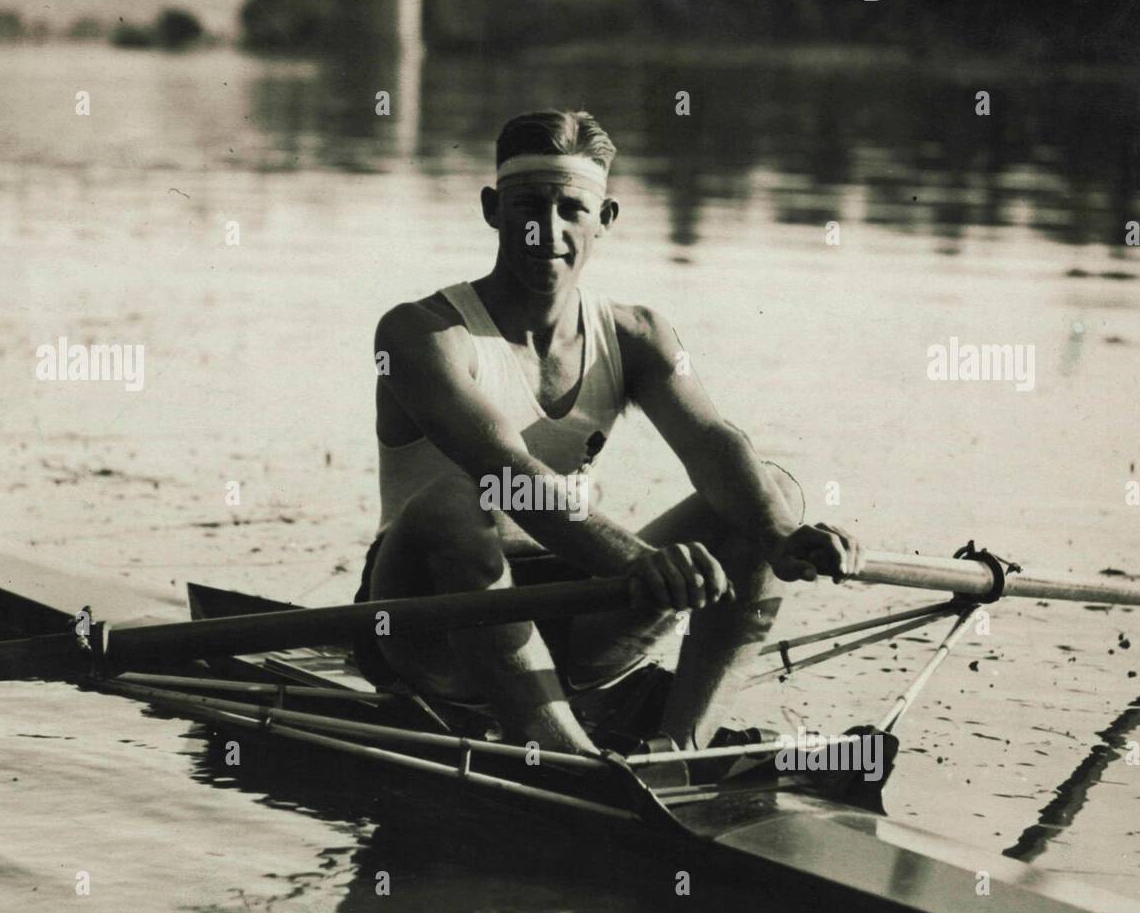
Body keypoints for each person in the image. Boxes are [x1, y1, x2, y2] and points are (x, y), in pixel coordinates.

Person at [360, 109, 863, 755]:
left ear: (606, 220)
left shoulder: (637, 335)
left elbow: (712, 442)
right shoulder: (421, 332)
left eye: (571, 209)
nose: (548, 230)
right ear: (492, 209)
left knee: (769, 492)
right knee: (461, 499)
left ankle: (681, 750)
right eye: (527, 207)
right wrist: (637, 561)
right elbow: (504, 470)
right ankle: (567, 756)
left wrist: (782, 536)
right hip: (425, 618)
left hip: (578, 603)